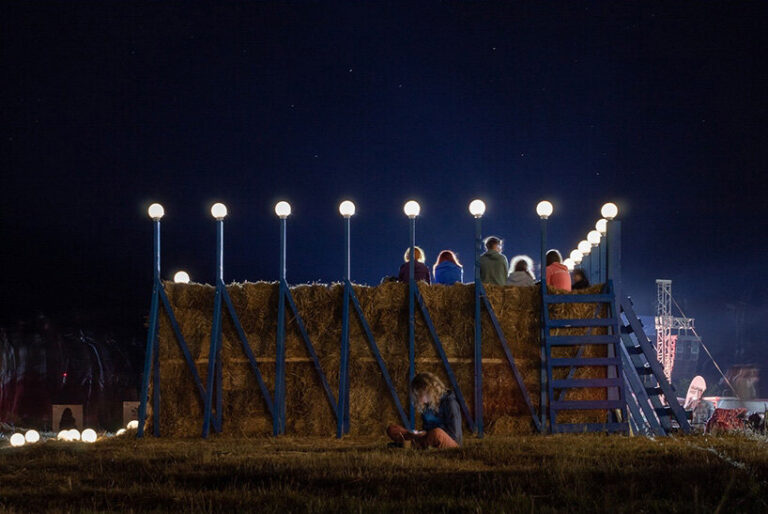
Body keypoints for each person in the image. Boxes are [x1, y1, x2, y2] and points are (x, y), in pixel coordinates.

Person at [386, 372, 461, 449]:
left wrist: (429, 433)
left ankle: (409, 446)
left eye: (419, 394)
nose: (418, 398)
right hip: (428, 439)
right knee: (393, 429)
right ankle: (413, 444)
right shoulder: (427, 404)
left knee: (437, 434)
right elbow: (426, 428)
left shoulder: (450, 403)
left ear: (429, 390)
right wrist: (420, 433)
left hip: (448, 442)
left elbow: (455, 435)